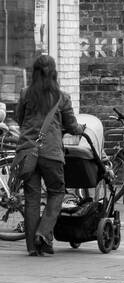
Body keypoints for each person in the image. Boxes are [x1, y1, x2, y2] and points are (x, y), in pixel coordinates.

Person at [15, 54, 84, 256]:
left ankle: (31, 247)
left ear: (34, 73)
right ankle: (43, 234)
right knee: (56, 192)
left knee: (32, 198)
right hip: (51, 153)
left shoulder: (25, 93)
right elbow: (71, 125)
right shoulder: (62, 97)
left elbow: (20, 119)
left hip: (28, 152)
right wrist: (80, 129)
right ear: (54, 73)